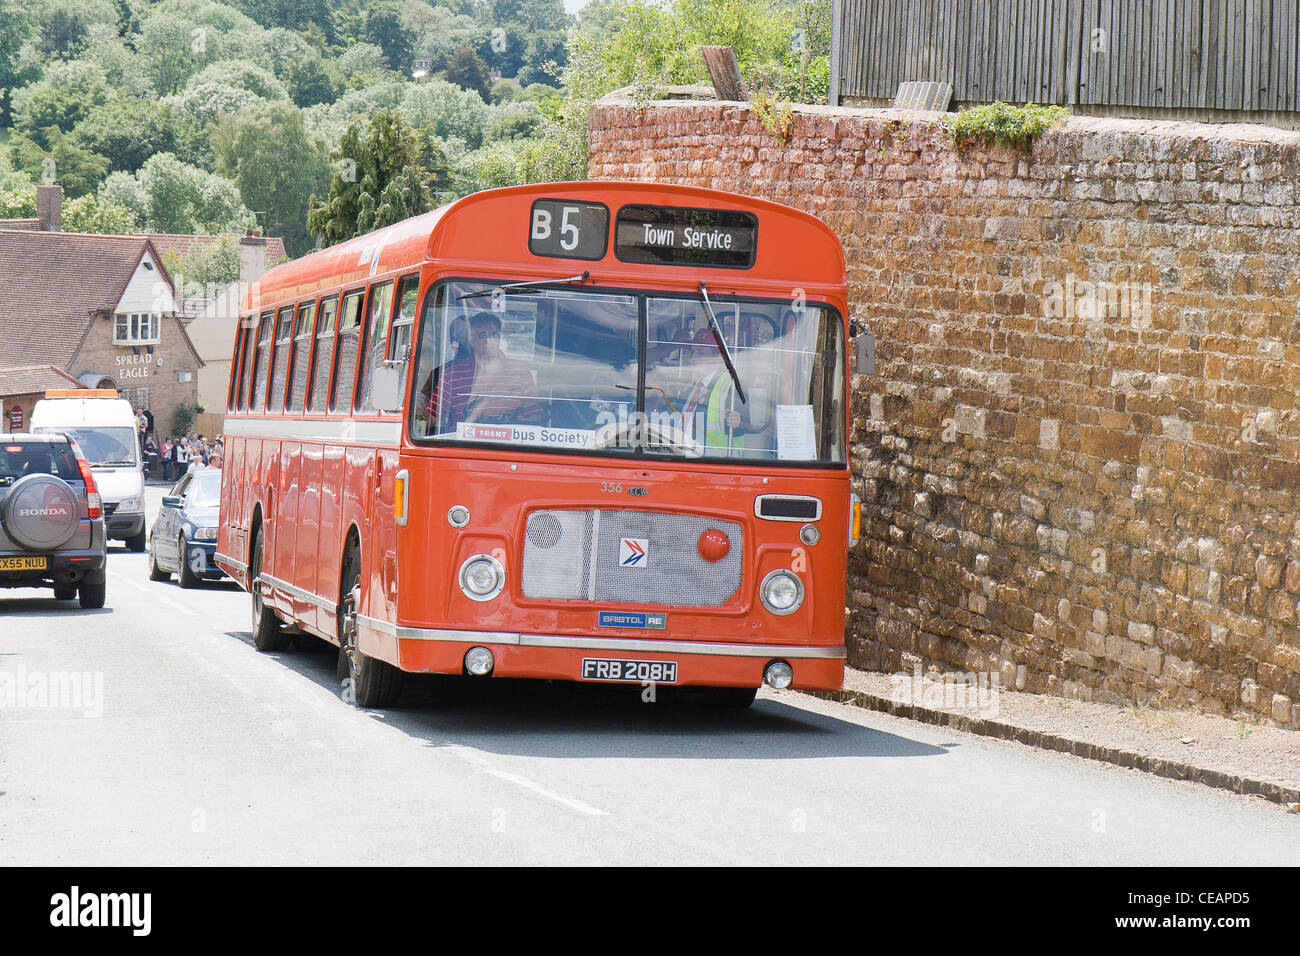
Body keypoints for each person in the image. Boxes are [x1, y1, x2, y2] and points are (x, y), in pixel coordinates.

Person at [427, 311, 544, 429]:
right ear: (471, 340)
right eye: (482, 335)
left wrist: (511, 424)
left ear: (499, 338)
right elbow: (432, 417)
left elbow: (535, 415)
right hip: (464, 445)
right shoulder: (452, 375)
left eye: (493, 335)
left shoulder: (519, 371)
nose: (488, 341)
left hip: (510, 444)